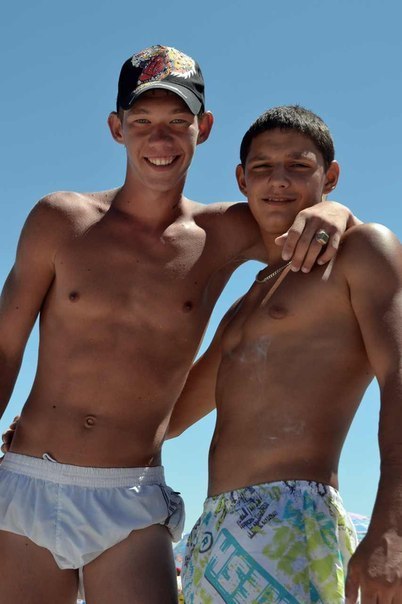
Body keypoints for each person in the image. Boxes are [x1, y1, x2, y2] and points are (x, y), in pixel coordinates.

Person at [0, 44, 357, 604]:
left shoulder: (223, 232)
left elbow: (301, 228)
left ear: (203, 128)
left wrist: (334, 210)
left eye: (177, 122)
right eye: (142, 121)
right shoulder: (60, 219)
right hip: (29, 479)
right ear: (117, 128)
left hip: (131, 492)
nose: (160, 140)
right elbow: (5, 348)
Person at [168, 106, 402, 604]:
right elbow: (170, 417)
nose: (279, 180)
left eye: (298, 166)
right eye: (262, 167)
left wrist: (394, 523)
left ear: (329, 177)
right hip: (214, 530)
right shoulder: (246, 302)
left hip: (294, 518)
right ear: (242, 180)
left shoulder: (362, 249)